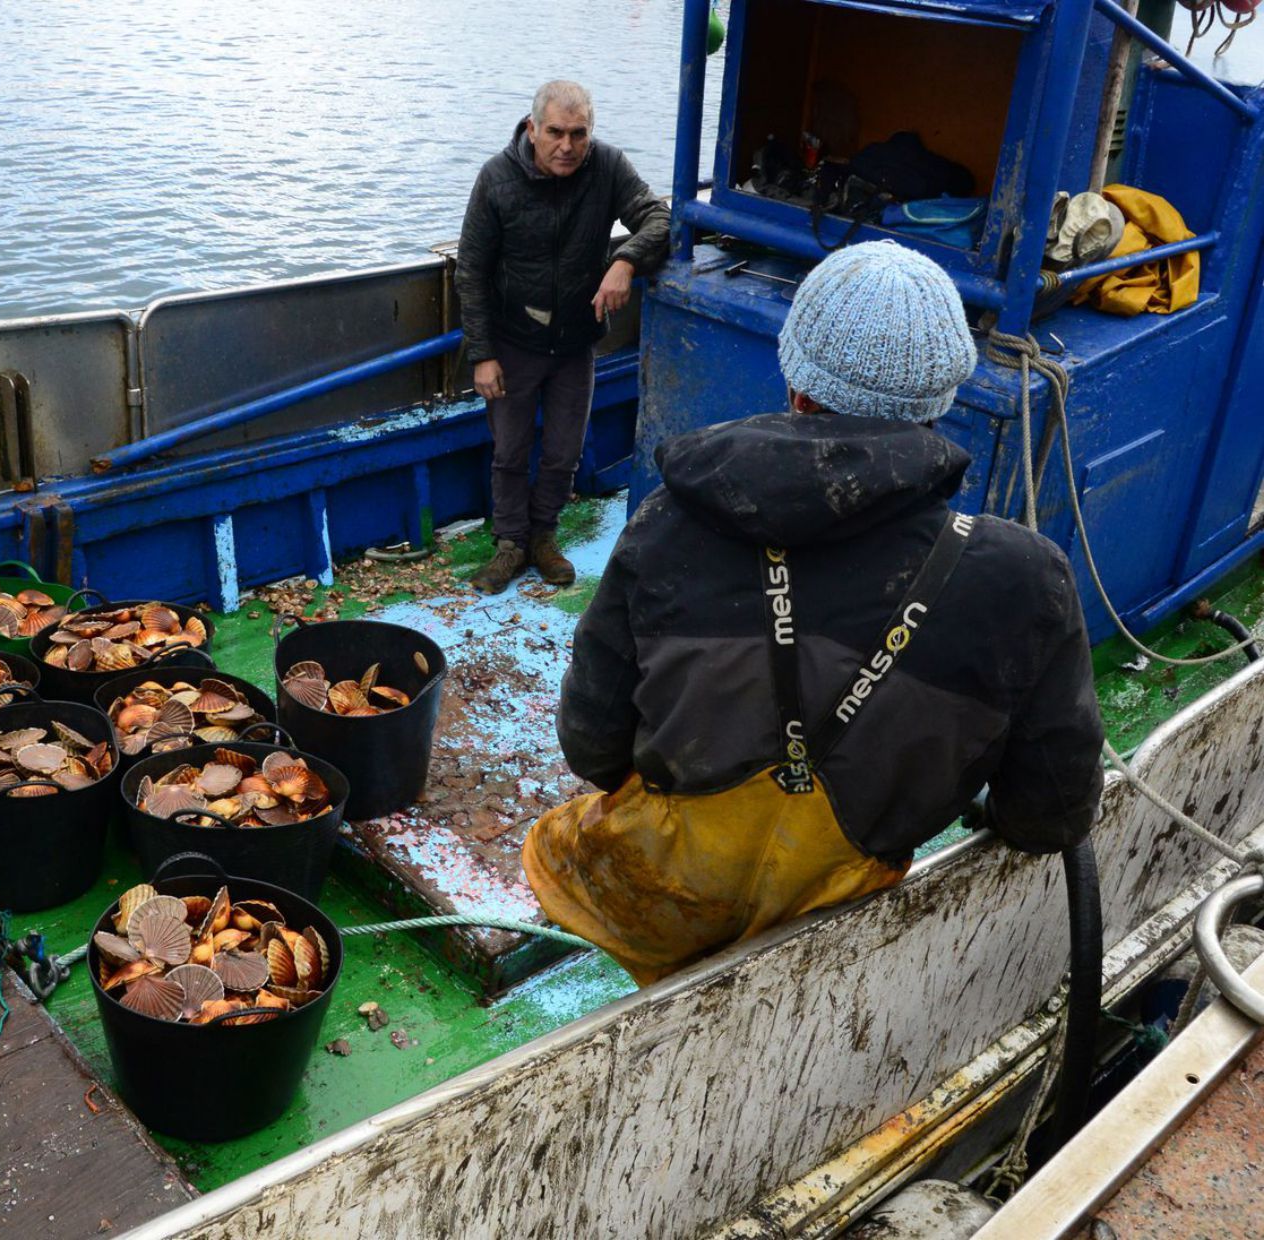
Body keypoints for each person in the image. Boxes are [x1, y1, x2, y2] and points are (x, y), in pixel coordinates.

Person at [522, 241, 1105, 985]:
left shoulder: (666, 525)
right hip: (844, 918)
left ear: (797, 388)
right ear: (939, 403)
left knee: (552, 845)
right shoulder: (1027, 577)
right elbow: (1049, 814)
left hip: (669, 902)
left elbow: (592, 746)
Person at [456, 80, 670, 594]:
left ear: (591, 133)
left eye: (579, 134)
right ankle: (510, 543)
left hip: (575, 344)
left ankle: (543, 537)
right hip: (512, 341)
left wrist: (625, 261)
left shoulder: (607, 167)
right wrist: (482, 355)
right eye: (555, 132)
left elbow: (659, 217)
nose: (567, 146)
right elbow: (471, 271)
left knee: (563, 452)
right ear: (532, 129)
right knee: (510, 451)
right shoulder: (496, 178)